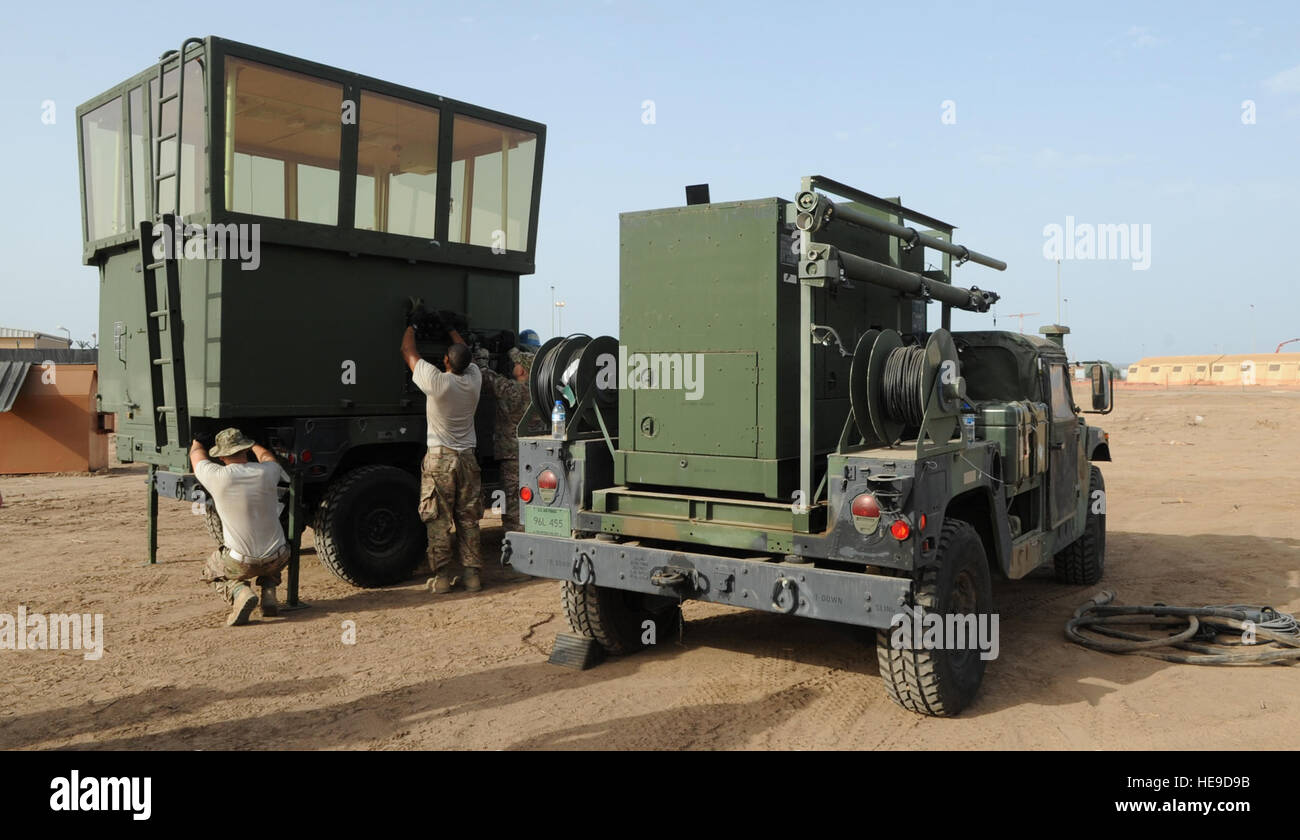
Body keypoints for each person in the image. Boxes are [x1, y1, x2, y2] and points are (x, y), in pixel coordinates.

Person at [401, 322, 484, 594]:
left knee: (438, 519)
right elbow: (465, 352)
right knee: (468, 518)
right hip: (467, 460)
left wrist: (413, 324)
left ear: (445, 360)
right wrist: (452, 329)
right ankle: (472, 576)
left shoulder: (437, 383)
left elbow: (407, 351)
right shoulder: (474, 379)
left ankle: (443, 577)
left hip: (440, 459)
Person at [190, 428, 290, 626]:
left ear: (222, 456)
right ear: (245, 450)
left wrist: (197, 440)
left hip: (242, 562)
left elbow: (196, 456)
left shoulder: (216, 475)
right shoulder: (267, 472)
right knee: (273, 546)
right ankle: (269, 594)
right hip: (278, 558)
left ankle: (240, 592)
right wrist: (255, 443)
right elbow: (267, 457)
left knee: (212, 569)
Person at [478, 347, 537, 531]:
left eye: (517, 363)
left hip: (512, 457)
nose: (514, 366)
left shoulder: (511, 390)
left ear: (521, 371)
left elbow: (485, 376)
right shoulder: (540, 392)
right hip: (536, 455)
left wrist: (482, 357)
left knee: (512, 504)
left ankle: (515, 542)